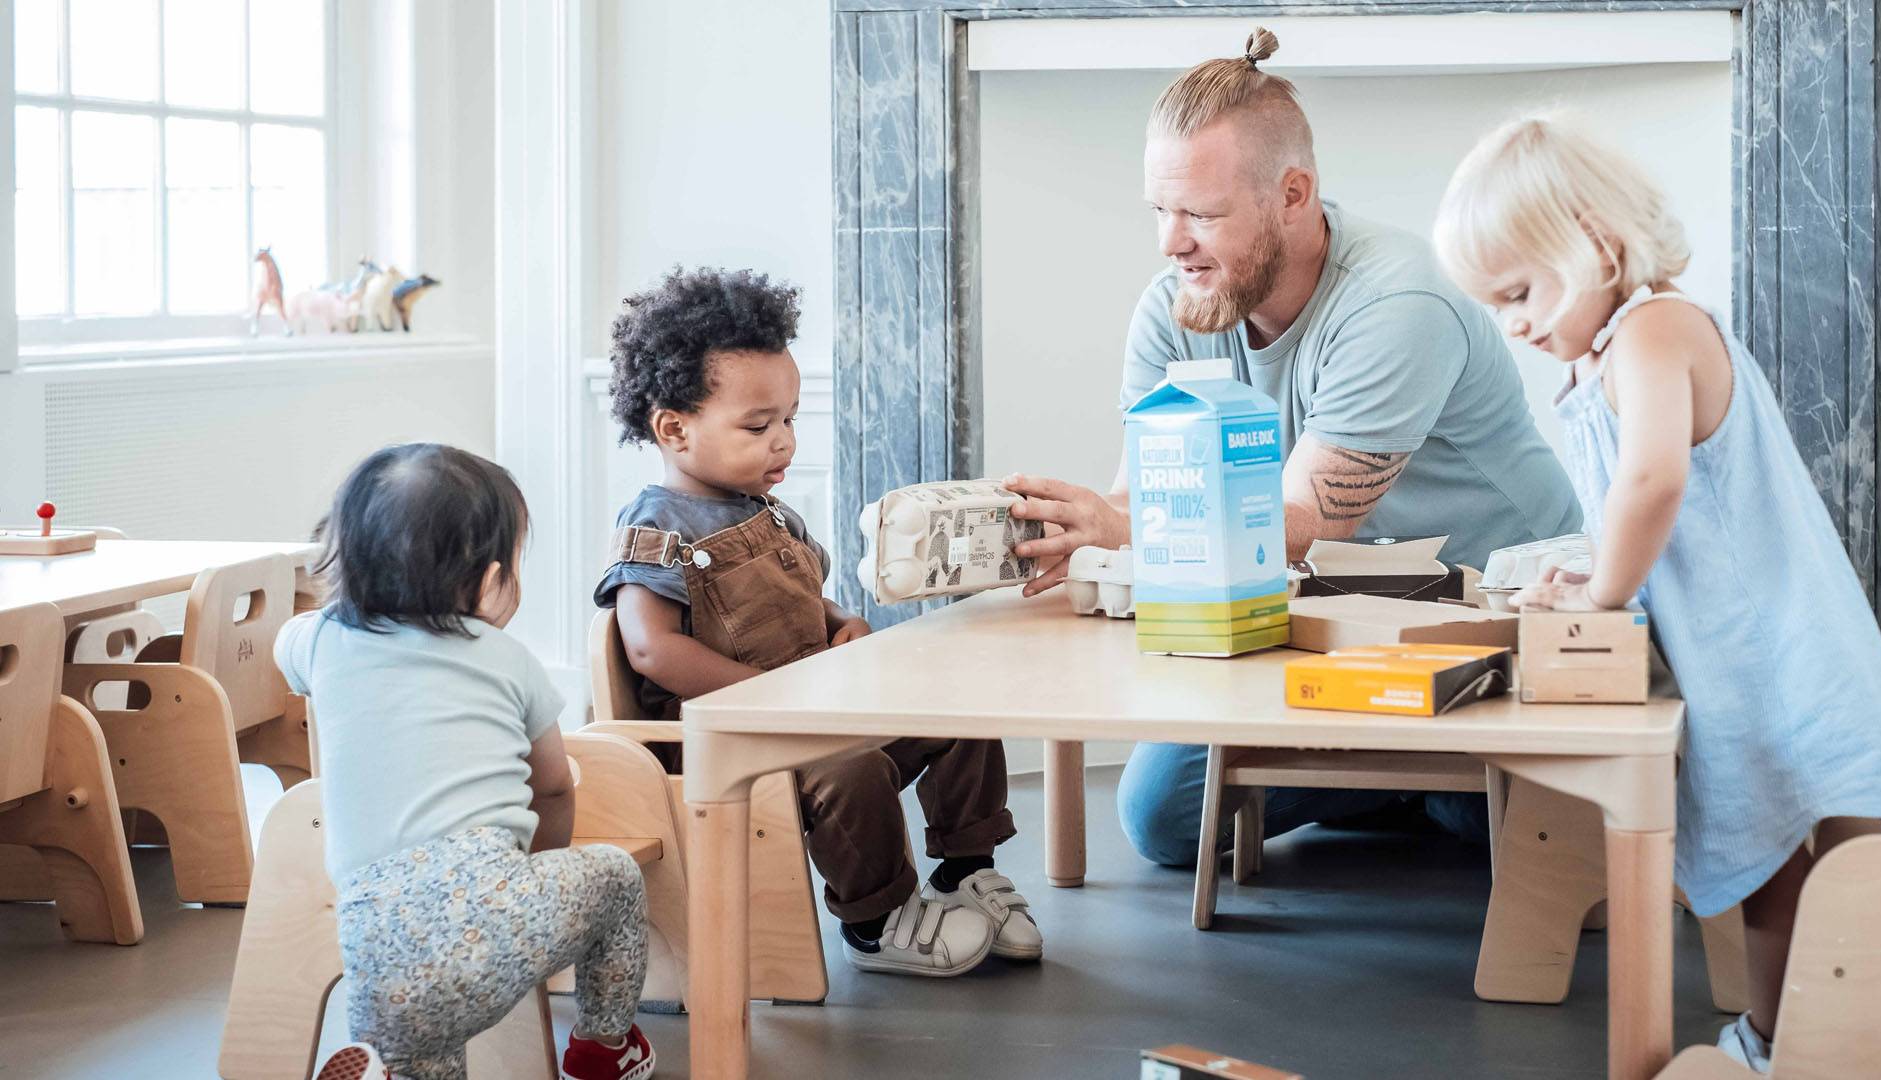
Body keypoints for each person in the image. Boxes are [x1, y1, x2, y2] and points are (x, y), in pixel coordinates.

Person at [1006, 29, 1581, 866]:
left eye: (1200, 214)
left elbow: (1309, 523)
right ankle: (1404, 768)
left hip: (1480, 610)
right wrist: (1076, 528)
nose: (1171, 242)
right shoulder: (1176, 307)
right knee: (1162, 820)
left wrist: (1118, 528)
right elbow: (1135, 506)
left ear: (1293, 194)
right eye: (1161, 211)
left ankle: (1415, 772)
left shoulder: (1399, 302)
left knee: (1482, 824)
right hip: (1318, 613)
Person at [1433, 115, 1881, 1074]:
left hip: (1782, 654)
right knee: (1793, 872)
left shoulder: (1655, 330)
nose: (1515, 325)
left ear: (1598, 247)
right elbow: (1635, 509)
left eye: (1521, 292)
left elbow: (1653, 484)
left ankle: (1792, 1044)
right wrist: (1595, 569)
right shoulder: (1605, 355)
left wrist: (1606, 594)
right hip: (1752, 654)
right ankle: (1801, 1033)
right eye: (1496, 305)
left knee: (1822, 867)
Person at [596, 266, 1042, 977]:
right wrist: (766, 696)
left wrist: (842, 623)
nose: (784, 442)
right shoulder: (657, 525)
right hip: (734, 741)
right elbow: (650, 650)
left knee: (957, 710)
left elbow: (807, 596)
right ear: (675, 429)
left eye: (789, 420)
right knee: (851, 766)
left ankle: (966, 871)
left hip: (810, 712)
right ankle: (877, 920)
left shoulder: (765, 510)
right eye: (757, 425)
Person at [280, 443, 655, 1080]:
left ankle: (385, 1071)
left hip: (375, 957)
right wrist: (542, 869)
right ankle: (602, 1050)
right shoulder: (506, 660)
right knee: (617, 876)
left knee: (424, 1057)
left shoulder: (320, 640)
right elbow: (555, 787)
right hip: (498, 919)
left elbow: (287, 649)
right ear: (489, 581)